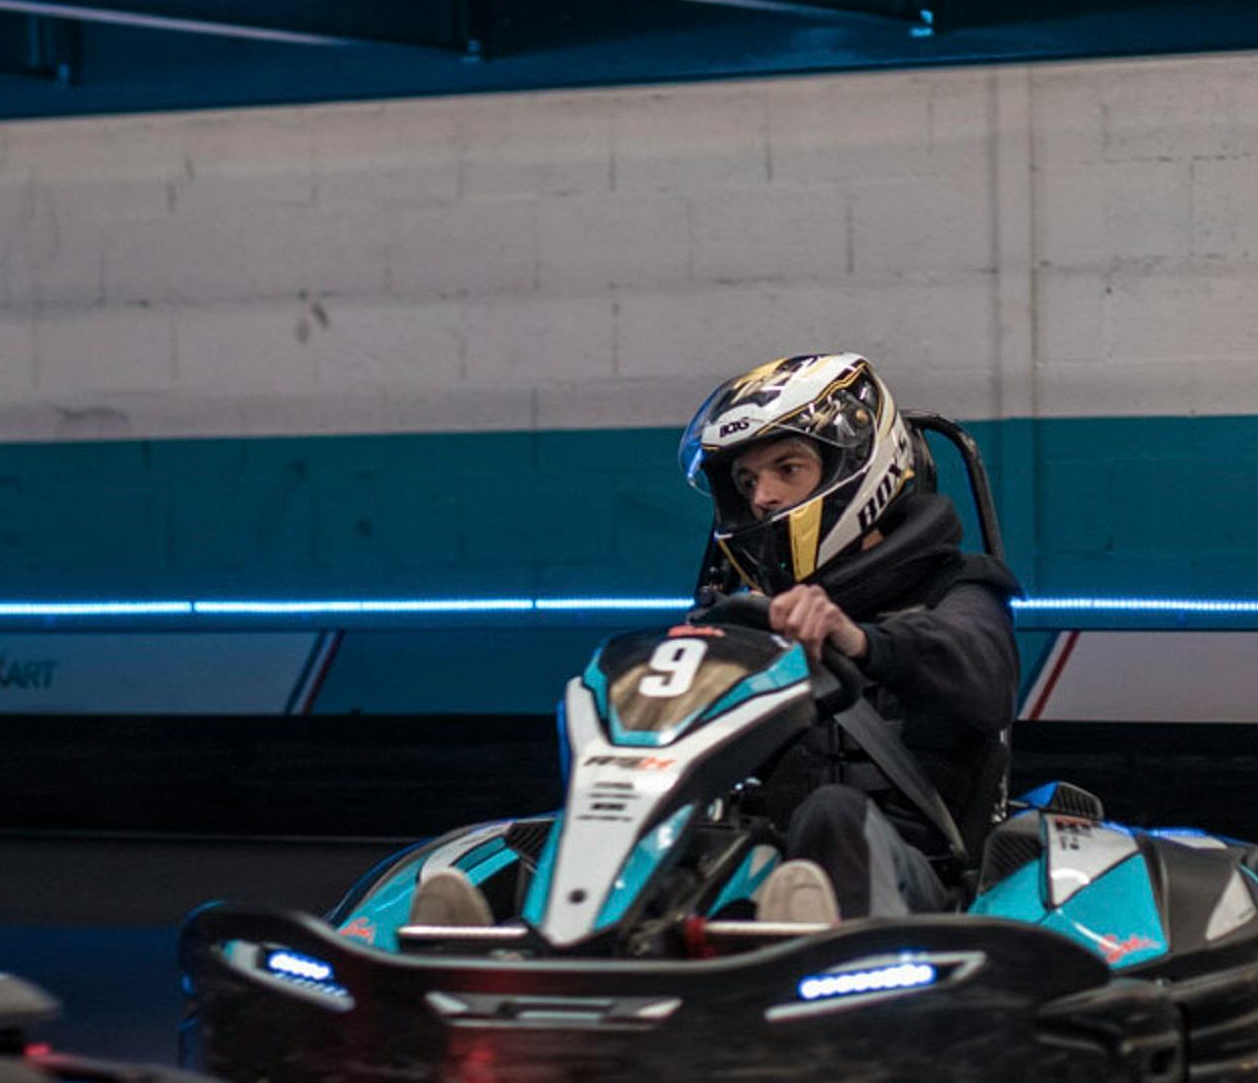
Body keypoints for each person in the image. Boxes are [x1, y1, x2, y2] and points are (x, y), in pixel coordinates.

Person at [413, 353, 1020, 931]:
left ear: (859, 469)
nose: (763, 497)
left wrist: (859, 640)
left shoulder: (956, 589)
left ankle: (825, 953)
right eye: (748, 480)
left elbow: (979, 668)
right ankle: (519, 944)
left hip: (913, 883)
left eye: (788, 468)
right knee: (564, 832)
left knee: (832, 813)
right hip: (756, 868)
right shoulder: (734, 619)